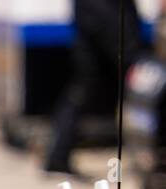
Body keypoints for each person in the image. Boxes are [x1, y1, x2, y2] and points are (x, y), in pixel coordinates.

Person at [45, 0, 144, 173]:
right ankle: (57, 157)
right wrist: (129, 54)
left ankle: (57, 156)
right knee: (81, 95)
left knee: (82, 95)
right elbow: (105, 18)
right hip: (100, 48)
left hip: (102, 44)